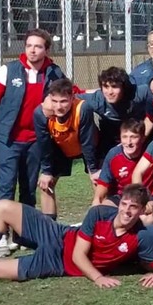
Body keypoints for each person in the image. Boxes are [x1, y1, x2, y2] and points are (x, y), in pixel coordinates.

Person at [0, 184, 153, 288]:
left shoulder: (140, 237)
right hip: (59, 236)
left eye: (133, 207)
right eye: (124, 204)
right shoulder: (99, 214)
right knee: (3, 207)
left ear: (141, 211)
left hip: (56, 264)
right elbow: (79, 254)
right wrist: (97, 278)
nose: (126, 211)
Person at [0, 29, 65, 255]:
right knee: (6, 186)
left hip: (36, 140)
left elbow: (70, 94)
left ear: (47, 50)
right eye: (29, 46)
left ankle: (24, 234)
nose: (32, 50)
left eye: (38, 46)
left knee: (29, 189)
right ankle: (1, 236)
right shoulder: (9, 70)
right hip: (8, 140)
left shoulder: (54, 73)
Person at [33, 78, 100, 219]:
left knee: (100, 182)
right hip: (60, 146)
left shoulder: (83, 108)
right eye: (54, 101)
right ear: (49, 98)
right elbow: (44, 143)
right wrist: (46, 171)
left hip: (86, 146)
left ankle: (103, 221)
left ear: (72, 98)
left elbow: (87, 142)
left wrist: (93, 170)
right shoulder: (41, 113)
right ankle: (49, 226)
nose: (58, 107)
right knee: (45, 184)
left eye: (63, 101)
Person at [79, 66, 150, 162]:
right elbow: (70, 99)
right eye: (106, 86)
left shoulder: (138, 94)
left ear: (124, 87)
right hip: (109, 142)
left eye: (114, 86)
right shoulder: (97, 99)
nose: (110, 92)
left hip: (138, 139)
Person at [93, 119, 153, 223]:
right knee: (102, 211)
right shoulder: (113, 155)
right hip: (122, 197)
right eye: (125, 137)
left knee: (147, 219)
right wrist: (95, 207)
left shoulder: (152, 152)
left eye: (133, 137)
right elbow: (102, 186)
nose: (128, 142)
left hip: (148, 198)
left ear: (142, 138)